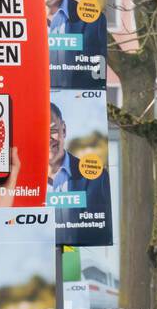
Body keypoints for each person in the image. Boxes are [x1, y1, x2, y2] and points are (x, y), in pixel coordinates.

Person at [48, 102, 113, 241]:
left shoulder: (96, 178)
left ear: (63, 130)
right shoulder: (18, 184)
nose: (47, 139)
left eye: (52, 130)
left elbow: (100, 233)